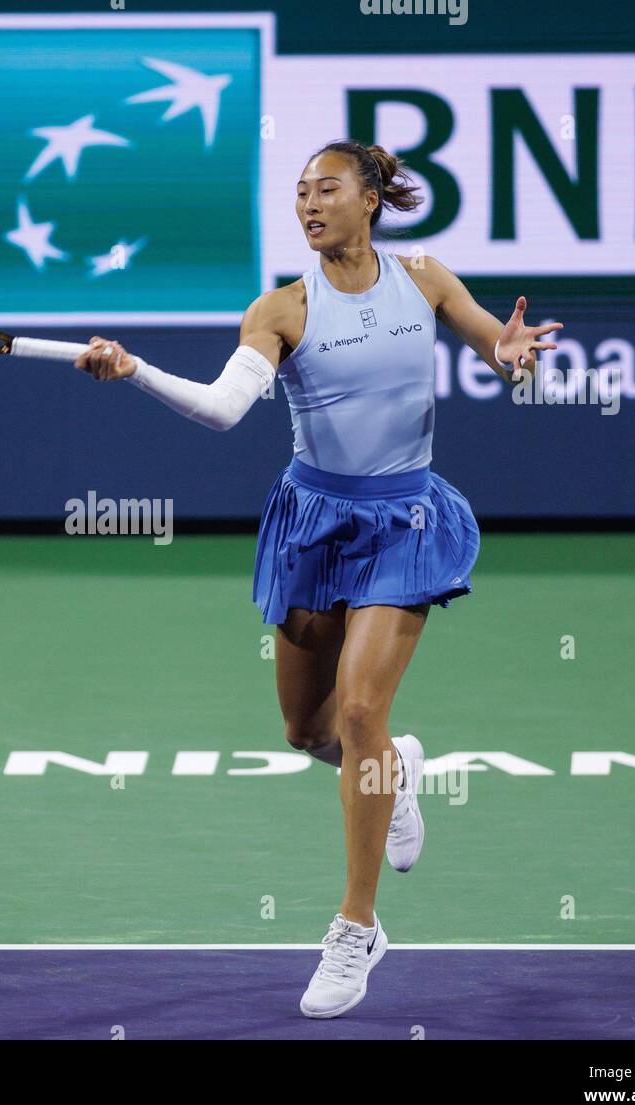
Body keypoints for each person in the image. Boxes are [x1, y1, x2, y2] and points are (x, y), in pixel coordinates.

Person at [74, 138, 563, 1018]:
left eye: (327, 189)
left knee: (364, 709)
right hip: (313, 522)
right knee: (310, 730)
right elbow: (225, 410)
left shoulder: (425, 279)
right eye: (299, 192)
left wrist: (512, 352)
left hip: (406, 521)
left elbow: (497, 346)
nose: (309, 204)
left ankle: (356, 926)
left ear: (370, 199)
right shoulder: (280, 311)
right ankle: (394, 775)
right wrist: (133, 369)